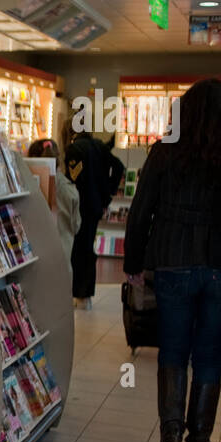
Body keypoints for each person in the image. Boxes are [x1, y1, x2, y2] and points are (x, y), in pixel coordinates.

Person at [123, 78, 221, 442]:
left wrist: (134, 263)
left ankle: (170, 437)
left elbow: (140, 212)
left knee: (173, 353)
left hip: (173, 264)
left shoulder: (165, 152)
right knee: (209, 356)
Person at [63, 119, 125, 308]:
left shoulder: (74, 150)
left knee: (77, 250)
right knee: (88, 248)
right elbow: (119, 166)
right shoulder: (98, 146)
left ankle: (79, 293)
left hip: (79, 205)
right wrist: (109, 193)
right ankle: (85, 295)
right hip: (96, 206)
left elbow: (73, 180)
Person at [28, 138, 82, 261]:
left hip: (36, 258)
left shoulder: (29, 186)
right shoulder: (70, 190)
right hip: (63, 257)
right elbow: (76, 225)